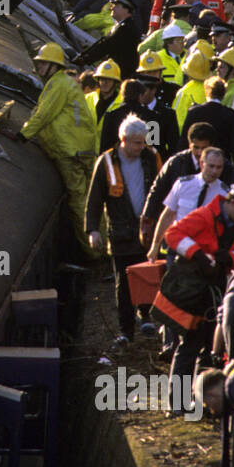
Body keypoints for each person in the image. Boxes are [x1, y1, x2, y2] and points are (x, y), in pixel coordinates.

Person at [161, 179, 234, 413]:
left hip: (214, 292)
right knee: (188, 344)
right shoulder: (205, 216)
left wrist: (230, 257)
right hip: (192, 289)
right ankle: (176, 403)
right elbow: (173, 234)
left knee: (208, 347)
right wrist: (197, 254)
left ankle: (201, 401)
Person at [2, 42, 97, 261]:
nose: (39, 67)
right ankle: (101, 249)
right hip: (80, 146)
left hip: (69, 149)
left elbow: (43, 114)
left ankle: (96, 253)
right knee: (90, 198)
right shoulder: (63, 82)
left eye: (43, 63)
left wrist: (22, 135)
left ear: (53, 66)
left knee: (79, 201)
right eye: (39, 63)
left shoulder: (58, 85)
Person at [86, 115, 163, 347]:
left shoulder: (150, 158)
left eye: (143, 142)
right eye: (137, 143)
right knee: (124, 284)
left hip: (147, 231)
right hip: (120, 233)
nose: (141, 147)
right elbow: (94, 199)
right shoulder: (107, 162)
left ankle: (146, 314)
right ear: (124, 140)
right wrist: (92, 230)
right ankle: (126, 331)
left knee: (148, 277)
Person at [141, 121, 234, 251]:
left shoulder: (224, 167)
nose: (199, 152)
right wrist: (147, 220)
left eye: (204, 148)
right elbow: (157, 191)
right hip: (178, 232)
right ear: (189, 144)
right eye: (196, 147)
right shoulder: (176, 163)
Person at [145, 145, 229, 263]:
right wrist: (155, 246)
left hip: (204, 252)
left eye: (219, 167)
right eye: (211, 166)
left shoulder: (224, 194)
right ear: (201, 164)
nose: (214, 171)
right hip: (177, 246)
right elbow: (167, 215)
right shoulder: (183, 184)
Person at [180, 76, 234, 176]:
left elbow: (183, 141)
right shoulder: (230, 115)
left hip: (195, 166)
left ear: (206, 92)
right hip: (220, 168)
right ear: (223, 94)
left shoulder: (194, 112)